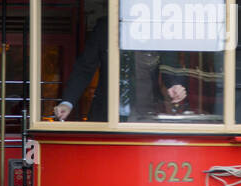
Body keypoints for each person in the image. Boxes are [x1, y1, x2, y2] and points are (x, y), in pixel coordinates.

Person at [53, 17, 187, 121]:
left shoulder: (157, 27)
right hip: (105, 115)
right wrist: (67, 103)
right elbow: (85, 67)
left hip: (147, 113)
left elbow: (171, 63)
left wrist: (175, 84)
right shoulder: (105, 26)